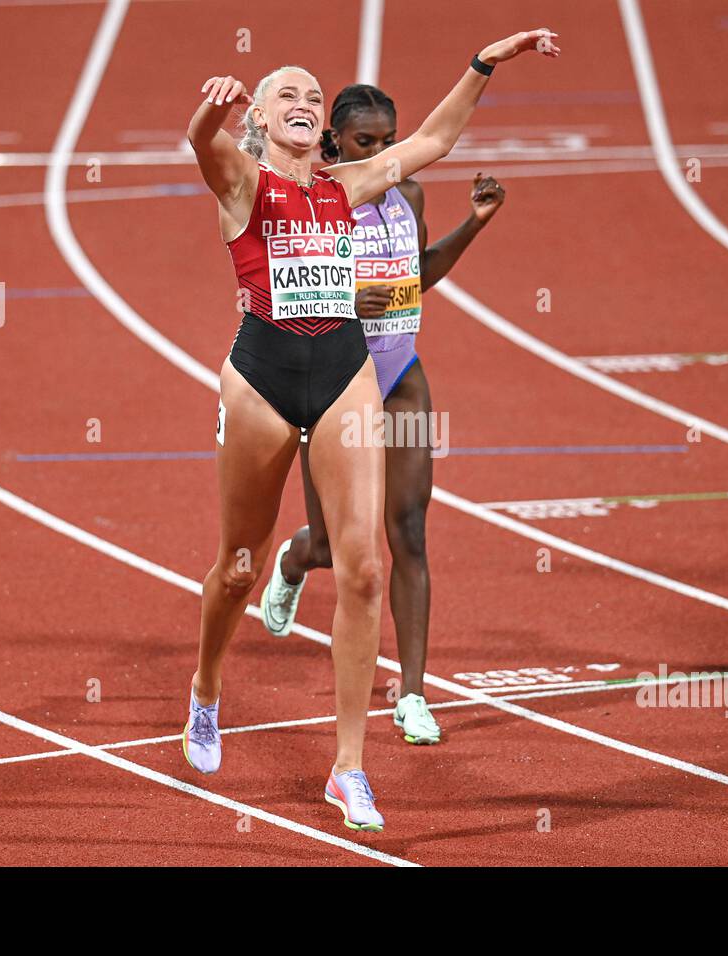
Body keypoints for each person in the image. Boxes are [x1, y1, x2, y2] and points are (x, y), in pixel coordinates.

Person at [182, 30, 558, 833]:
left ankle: (348, 767)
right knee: (239, 568)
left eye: (314, 98)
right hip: (260, 380)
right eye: (287, 94)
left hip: (346, 372)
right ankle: (207, 689)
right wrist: (206, 115)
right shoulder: (243, 181)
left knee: (363, 571)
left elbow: (435, 140)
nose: (305, 104)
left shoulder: (345, 188)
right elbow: (202, 146)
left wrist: (484, 61)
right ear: (260, 115)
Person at [258, 83, 507, 747]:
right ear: (336, 143)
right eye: (367, 142)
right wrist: (348, 302)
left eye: (390, 141)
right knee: (337, 547)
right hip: (332, 381)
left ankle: (415, 695)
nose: (384, 153)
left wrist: (475, 224)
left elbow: (417, 274)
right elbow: (284, 292)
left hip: (400, 379)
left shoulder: (411, 196)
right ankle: (291, 561)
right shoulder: (320, 202)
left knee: (409, 532)